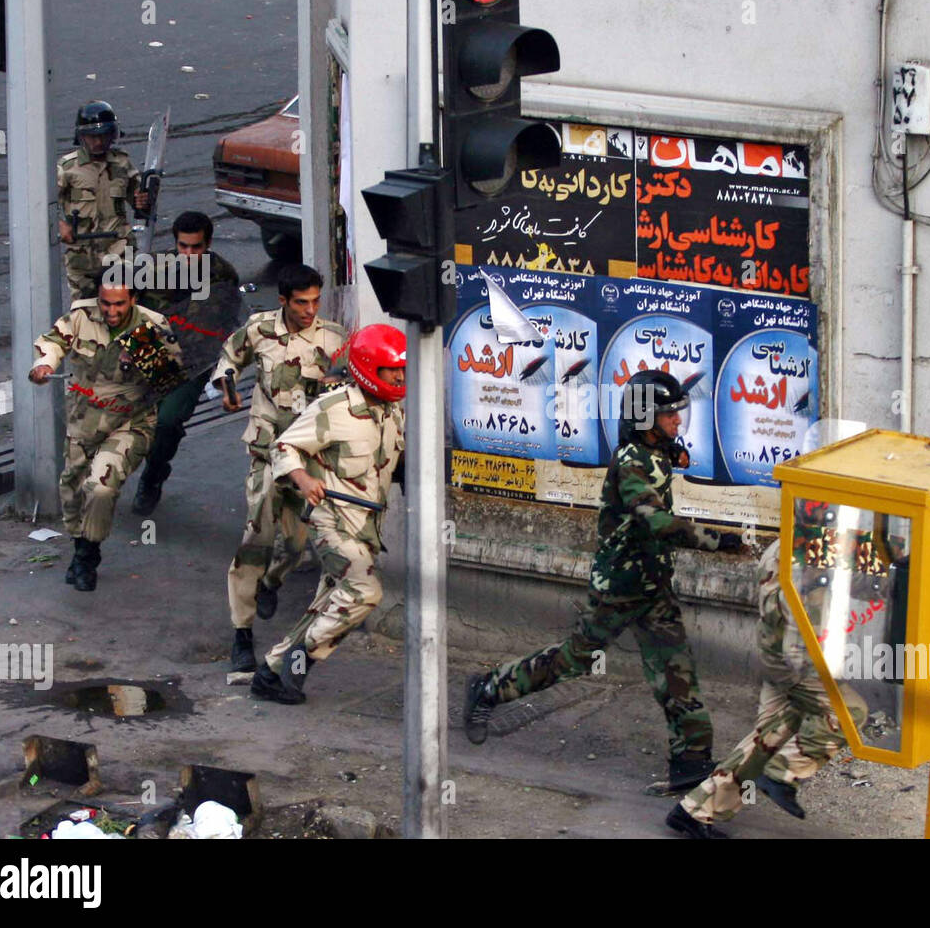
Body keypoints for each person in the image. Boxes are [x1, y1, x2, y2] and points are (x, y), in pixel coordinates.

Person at [463, 369, 744, 792]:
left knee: (676, 670)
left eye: (678, 415)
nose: (678, 422)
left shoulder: (658, 448)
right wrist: (716, 540)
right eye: (669, 416)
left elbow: (673, 455)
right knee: (575, 659)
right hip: (620, 588)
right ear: (644, 418)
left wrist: (676, 450)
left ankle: (692, 763)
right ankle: (488, 688)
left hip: (652, 585)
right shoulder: (631, 461)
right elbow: (653, 519)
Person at [666, 500, 869, 838]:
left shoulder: (788, 545)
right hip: (797, 662)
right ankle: (782, 775)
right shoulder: (810, 550)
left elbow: (860, 577)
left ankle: (695, 810)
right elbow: (854, 577)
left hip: (778, 658)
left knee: (766, 740)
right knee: (848, 713)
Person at [250, 324, 406, 704]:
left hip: (367, 525)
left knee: (329, 601)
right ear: (370, 367)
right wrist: (303, 479)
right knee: (364, 593)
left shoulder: (392, 412)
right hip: (332, 520)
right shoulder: (333, 409)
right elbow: (283, 447)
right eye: (392, 370)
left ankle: (271, 674)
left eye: (403, 369)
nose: (400, 377)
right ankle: (301, 660)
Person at [212, 265, 349, 674]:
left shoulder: (334, 338)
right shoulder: (259, 330)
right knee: (258, 533)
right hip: (268, 450)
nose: (310, 310)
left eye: (314, 302)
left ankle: (272, 581)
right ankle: (242, 632)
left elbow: (346, 388)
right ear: (284, 301)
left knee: (293, 543)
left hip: (308, 458)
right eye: (301, 303)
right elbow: (228, 356)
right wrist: (228, 386)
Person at [28, 276, 184, 591]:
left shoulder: (153, 326)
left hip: (130, 420)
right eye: (106, 303)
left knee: (101, 486)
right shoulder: (80, 316)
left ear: (133, 300)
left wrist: (145, 358)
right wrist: (44, 364)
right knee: (73, 488)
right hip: (84, 417)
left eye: (120, 304)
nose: (111, 311)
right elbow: (55, 341)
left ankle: (88, 555)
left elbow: (174, 375)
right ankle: (80, 545)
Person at [131, 211, 245, 515]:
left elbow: (228, 326)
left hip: (193, 361)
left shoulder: (222, 275)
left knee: (168, 422)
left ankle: (153, 476)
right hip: (152, 353)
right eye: (183, 247)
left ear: (207, 244)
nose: (189, 254)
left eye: (196, 248)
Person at [57, 101, 148, 301]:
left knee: (124, 307)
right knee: (85, 313)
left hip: (119, 249)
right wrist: (60, 224)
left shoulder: (122, 163)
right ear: (81, 136)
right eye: (92, 136)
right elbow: (45, 203)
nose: (98, 141)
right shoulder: (67, 168)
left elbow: (138, 199)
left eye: (104, 135)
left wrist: (142, 201)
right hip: (83, 253)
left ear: (113, 135)